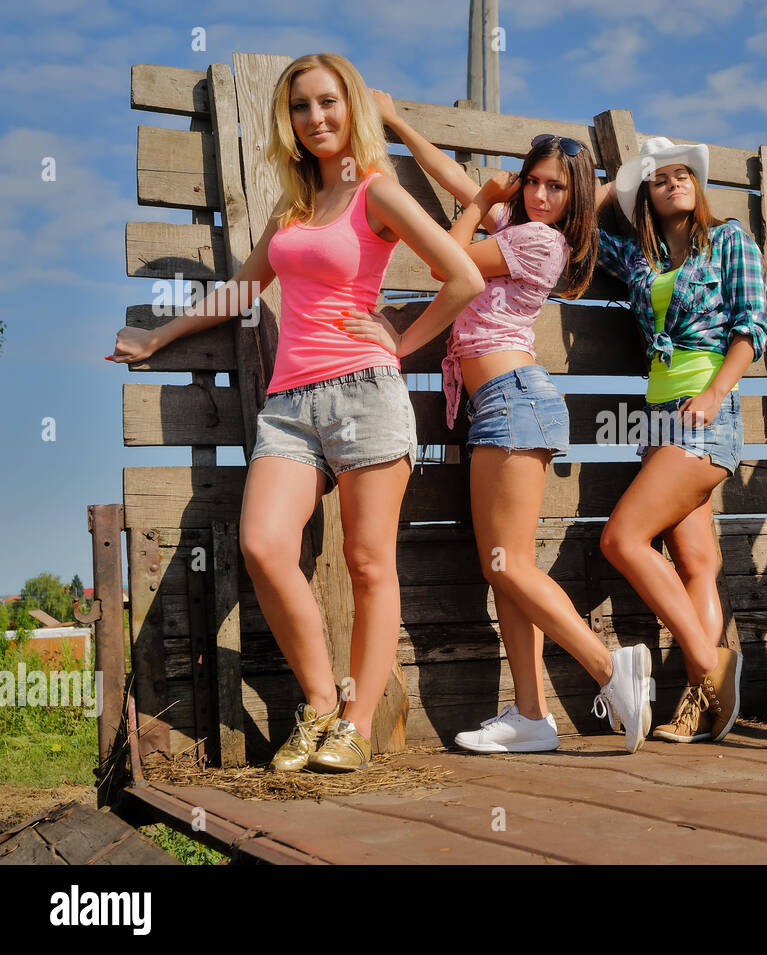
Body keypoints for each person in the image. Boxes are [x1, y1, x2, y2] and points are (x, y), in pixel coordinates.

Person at [108, 53, 486, 773]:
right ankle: (319, 704)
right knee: (264, 545)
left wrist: (398, 341)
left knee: (369, 563)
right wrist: (158, 335)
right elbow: (240, 291)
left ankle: (356, 722)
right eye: (302, 107)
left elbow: (462, 275)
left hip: (365, 397)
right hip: (288, 406)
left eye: (328, 102)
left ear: (352, 109)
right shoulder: (293, 207)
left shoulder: (378, 190)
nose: (317, 118)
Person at [372, 92, 653, 754]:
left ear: (575, 198)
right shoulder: (516, 219)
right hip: (501, 403)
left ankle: (611, 667)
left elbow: (451, 261)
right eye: (533, 180)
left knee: (509, 565)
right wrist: (396, 122)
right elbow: (451, 176)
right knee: (505, 565)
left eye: (557, 186)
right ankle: (530, 715)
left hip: (512, 400)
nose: (540, 193)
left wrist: (482, 202)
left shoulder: (536, 240)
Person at [593, 137, 767, 744]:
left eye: (682, 174)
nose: (673, 183)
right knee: (696, 563)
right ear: (646, 193)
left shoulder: (729, 241)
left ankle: (708, 662)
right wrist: (616, 187)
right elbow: (578, 238)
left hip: (703, 414)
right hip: (656, 418)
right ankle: (701, 706)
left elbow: (752, 327)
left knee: (621, 538)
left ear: (698, 185)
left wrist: (715, 395)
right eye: (659, 178)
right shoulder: (641, 260)